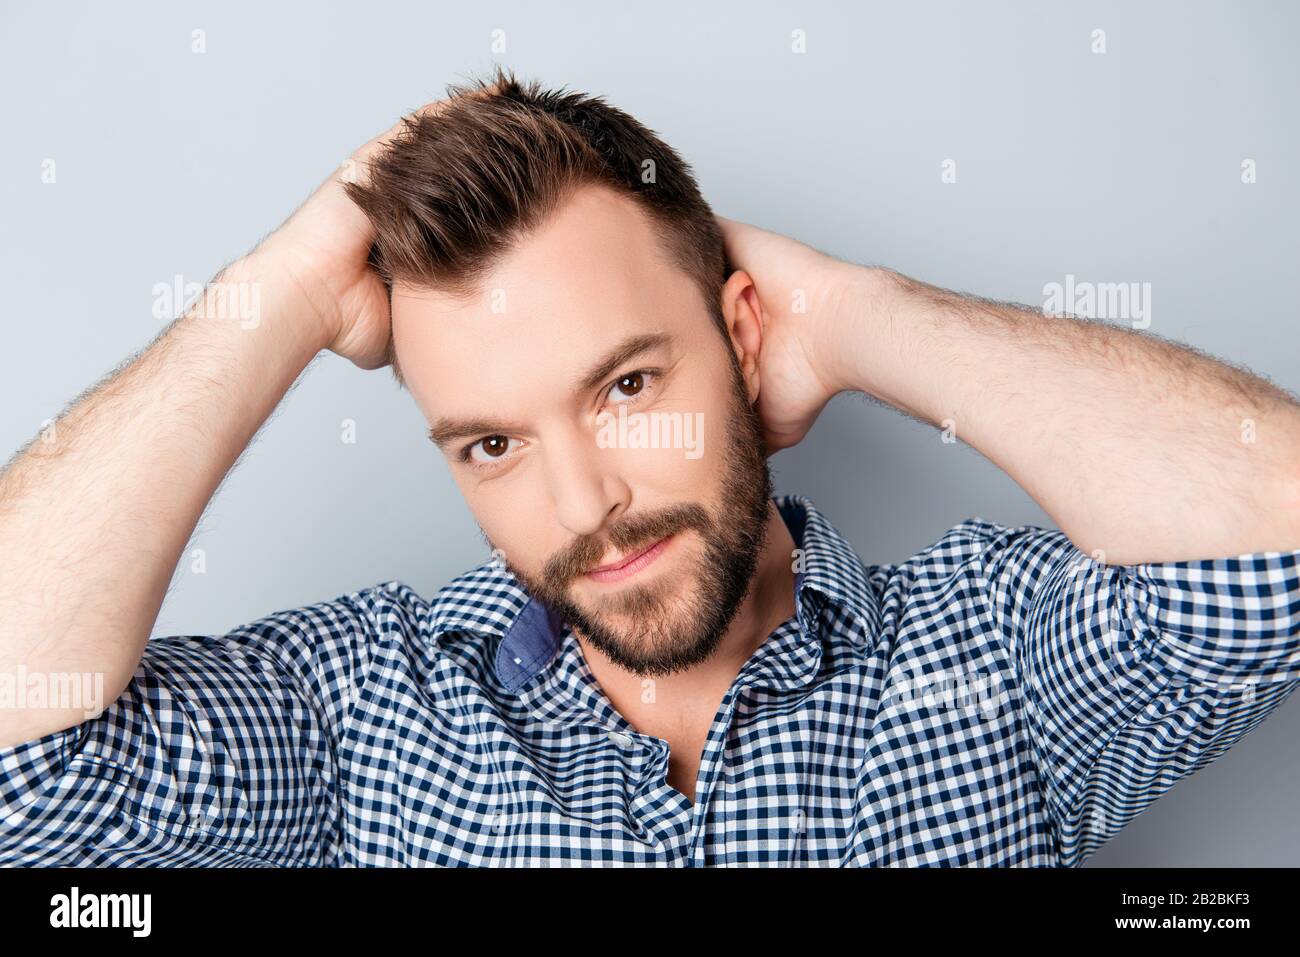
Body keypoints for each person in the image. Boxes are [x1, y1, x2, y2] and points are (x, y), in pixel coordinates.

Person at [1, 69, 1297, 866]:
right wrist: (274, 294)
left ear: (739, 336)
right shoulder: (363, 716)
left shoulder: (988, 659)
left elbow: (1275, 542)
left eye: (626, 386)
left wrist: (859, 316)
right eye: (493, 443)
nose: (585, 507)